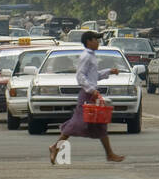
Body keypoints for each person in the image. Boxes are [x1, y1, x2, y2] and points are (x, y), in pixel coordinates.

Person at [50, 32, 124, 164]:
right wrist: (91, 90)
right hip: (87, 94)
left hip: (91, 93)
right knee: (77, 123)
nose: (98, 42)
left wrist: (109, 72)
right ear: (89, 41)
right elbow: (80, 76)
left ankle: (109, 154)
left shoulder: (92, 56)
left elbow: (94, 76)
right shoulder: (86, 56)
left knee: (100, 123)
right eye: (96, 40)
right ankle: (55, 147)